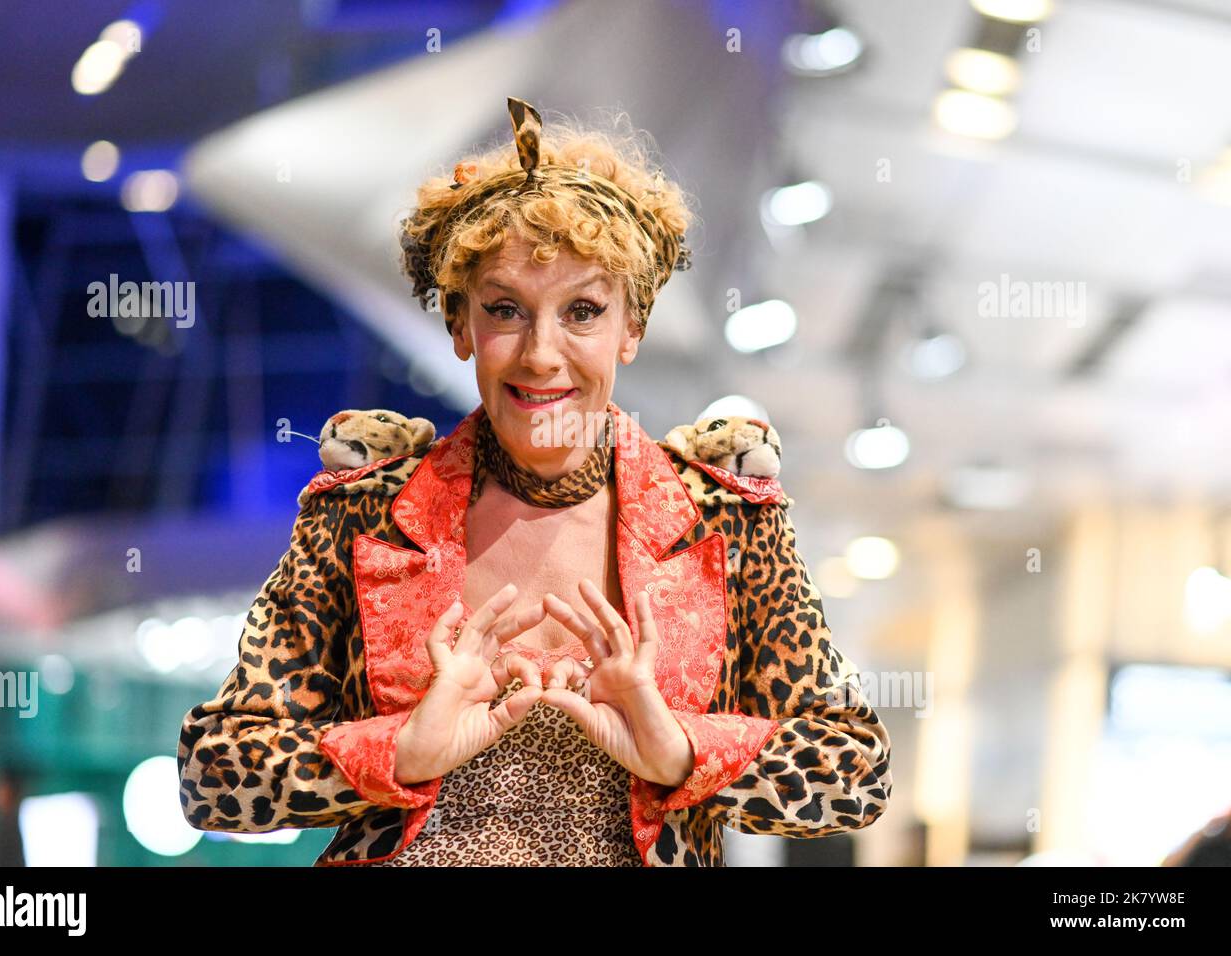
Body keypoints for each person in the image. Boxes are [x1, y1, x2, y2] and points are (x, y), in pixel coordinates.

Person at [177, 96, 893, 866]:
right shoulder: (362, 513)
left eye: (583, 310)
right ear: (460, 326)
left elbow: (854, 769)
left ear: (633, 327)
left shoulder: (727, 518)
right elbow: (213, 773)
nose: (542, 355)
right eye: (506, 310)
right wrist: (402, 751)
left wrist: (680, 746)